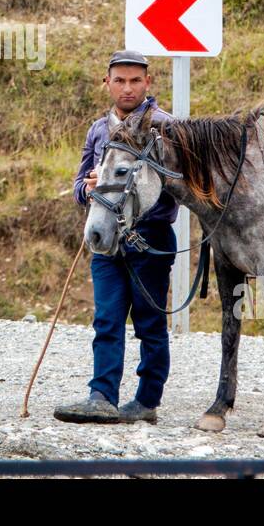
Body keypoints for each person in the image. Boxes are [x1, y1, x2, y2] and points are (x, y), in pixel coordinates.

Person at [53, 49, 177, 424]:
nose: (127, 88)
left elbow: (179, 192)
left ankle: (146, 401)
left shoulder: (168, 127)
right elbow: (77, 187)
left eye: (135, 80)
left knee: (149, 323)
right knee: (106, 320)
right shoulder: (97, 129)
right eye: (119, 80)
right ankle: (101, 395)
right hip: (106, 240)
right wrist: (92, 189)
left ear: (148, 82)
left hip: (150, 239)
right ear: (106, 83)